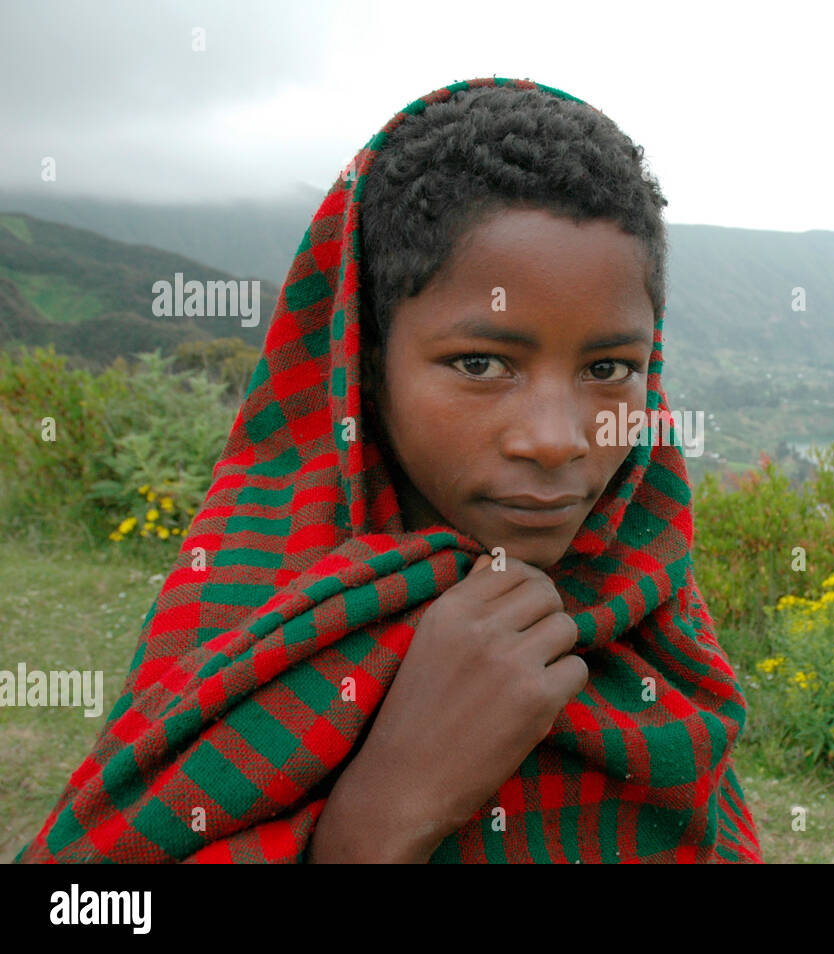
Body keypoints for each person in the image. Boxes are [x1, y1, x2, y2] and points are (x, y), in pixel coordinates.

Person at [17, 77, 763, 863]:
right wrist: (384, 812)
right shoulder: (244, 605)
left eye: (610, 368)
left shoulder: (644, 601)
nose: (556, 440)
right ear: (366, 363)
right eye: (481, 362)